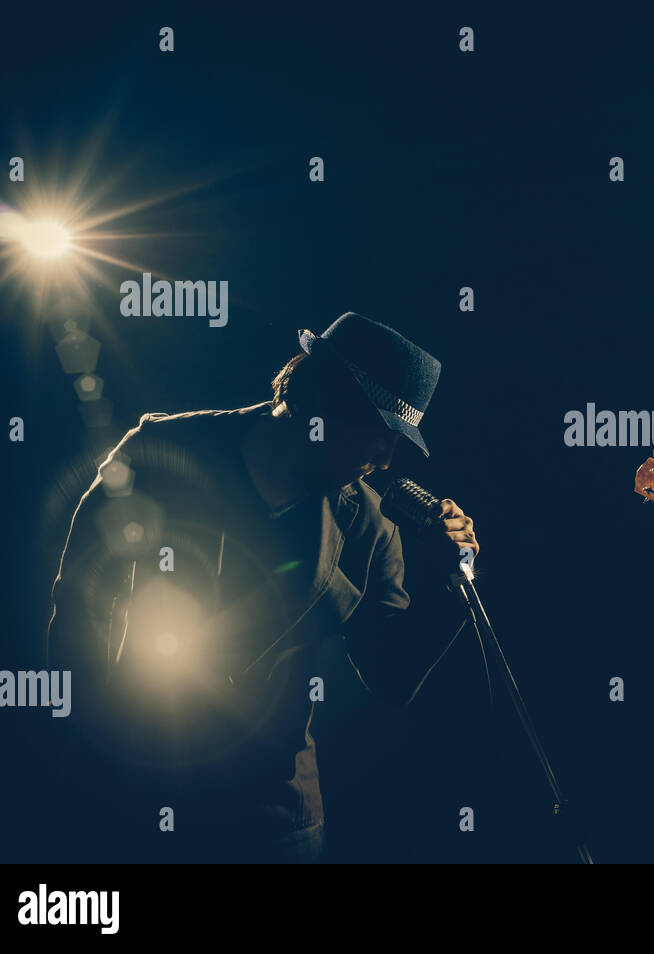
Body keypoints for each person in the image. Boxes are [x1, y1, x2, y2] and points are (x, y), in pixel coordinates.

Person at [46, 312, 478, 862]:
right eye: (378, 433)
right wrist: (87, 743)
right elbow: (80, 600)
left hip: (274, 820)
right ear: (323, 398)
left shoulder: (372, 529)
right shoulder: (160, 453)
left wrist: (451, 582)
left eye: (398, 443)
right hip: (140, 790)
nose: (386, 460)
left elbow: (391, 677)